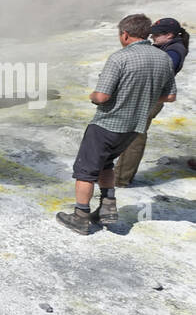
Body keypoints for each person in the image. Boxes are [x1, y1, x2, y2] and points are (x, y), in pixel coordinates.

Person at [57, 14, 176, 234]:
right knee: (106, 164)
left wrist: (93, 95)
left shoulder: (120, 58)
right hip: (134, 128)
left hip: (107, 123)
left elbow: (101, 96)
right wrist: (142, 98)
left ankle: (80, 216)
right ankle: (107, 207)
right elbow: (169, 96)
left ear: (125, 34)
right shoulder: (163, 58)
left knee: (85, 171)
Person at [114, 17, 188, 187]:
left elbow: (159, 73)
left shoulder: (174, 51)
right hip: (148, 95)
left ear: (169, 35)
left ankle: (121, 179)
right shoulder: (166, 46)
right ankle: (120, 175)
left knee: (134, 135)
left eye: (155, 35)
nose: (152, 38)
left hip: (151, 97)